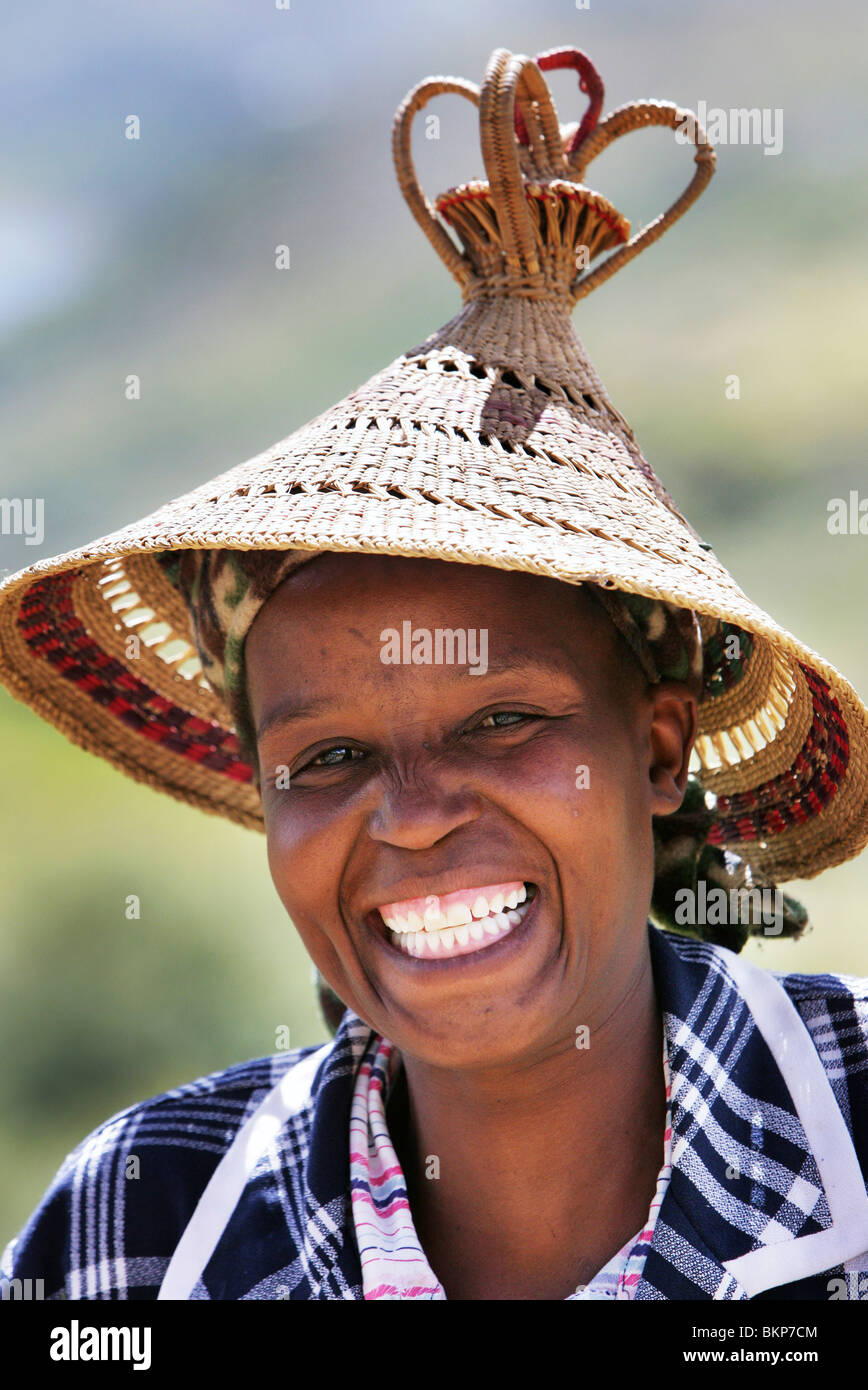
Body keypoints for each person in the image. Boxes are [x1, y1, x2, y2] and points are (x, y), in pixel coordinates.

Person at [2, 44, 868, 1301]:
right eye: (330, 757)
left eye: (501, 720)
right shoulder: (137, 1231)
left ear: (661, 753)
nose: (410, 816)